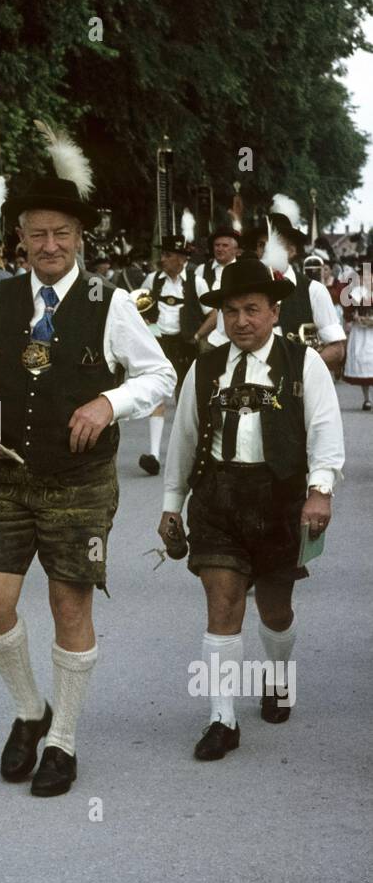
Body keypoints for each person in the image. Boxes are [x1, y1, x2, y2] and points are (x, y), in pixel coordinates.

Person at [0, 171, 176, 797]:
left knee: (68, 604)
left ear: (79, 237)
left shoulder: (110, 302)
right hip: (7, 474)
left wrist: (108, 402)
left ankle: (64, 740)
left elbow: (159, 374)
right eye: (37, 235)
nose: (49, 245)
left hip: (79, 481)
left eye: (60, 233)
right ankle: (31, 712)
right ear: (20, 241)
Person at [158, 253, 344, 760]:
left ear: (274, 312)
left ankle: (279, 676)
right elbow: (184, 437)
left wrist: (320, 489)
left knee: (276, 609)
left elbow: (326, 428)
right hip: (218, 498)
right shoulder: (206, 365)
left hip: (280, 497)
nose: (241, 321)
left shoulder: (301, 363)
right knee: (222, 604)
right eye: (232, 311)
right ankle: (222, 717)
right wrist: (172, 503)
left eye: (253, 309)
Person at [136, 233, 203, 475]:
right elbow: (139, 308)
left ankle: (193, 453)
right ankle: (153, 454)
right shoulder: (152, 280)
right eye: (163, 254)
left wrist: (196, 336)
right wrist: (149, 331)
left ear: (182, 259)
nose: (163, 259)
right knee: (157, 396)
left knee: (187, 400)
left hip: (186, 345)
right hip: (160, 345)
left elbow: (214, 313)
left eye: (168, 255)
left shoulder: (196, 281)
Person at [263, 203, 346, 374]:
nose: (265, 251)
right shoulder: (245, 291)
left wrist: (301, 369)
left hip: (300, 387)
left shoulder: (313, 291)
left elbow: (337, 349)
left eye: (274, 244)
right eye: (260, 245)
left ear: (291, 251)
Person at [193, 225, 240, 348]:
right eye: (217, 245)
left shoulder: (243, 269)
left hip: (237, 337)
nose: (220, 249)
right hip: (209, 339)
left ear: (235, 249)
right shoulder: (201, 270)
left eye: (225, 246)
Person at [343, 269, 373, 410]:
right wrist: (354, 316)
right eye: (361, 277)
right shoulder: (356, 293)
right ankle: (367, 399)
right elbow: (347, 312)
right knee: (363, 362)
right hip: (361, 332)